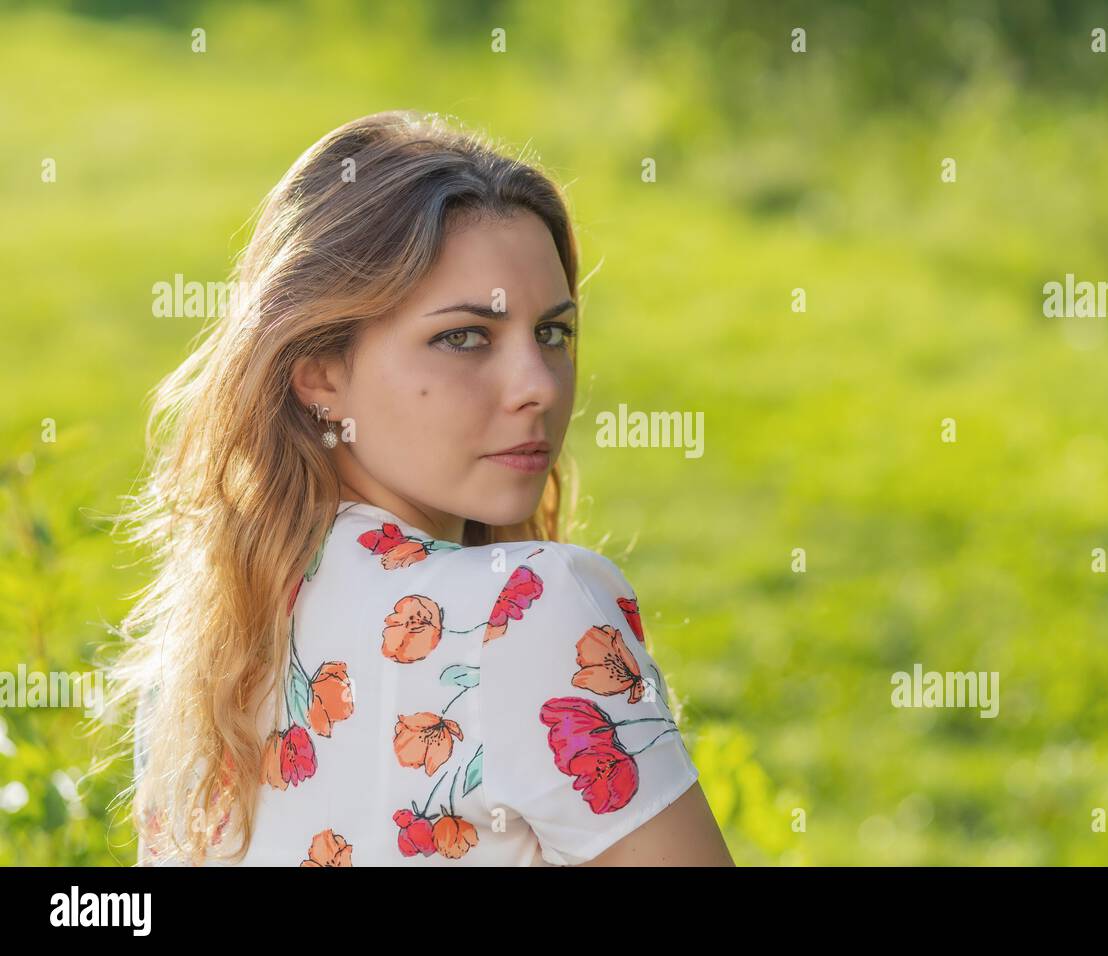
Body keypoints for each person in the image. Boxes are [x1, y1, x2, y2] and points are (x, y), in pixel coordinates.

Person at [101, 110, 732, 866]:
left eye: (553, 333)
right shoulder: (526, 612)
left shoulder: (199, 657)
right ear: (320, 372)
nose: (537, 386)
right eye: (463, 337)